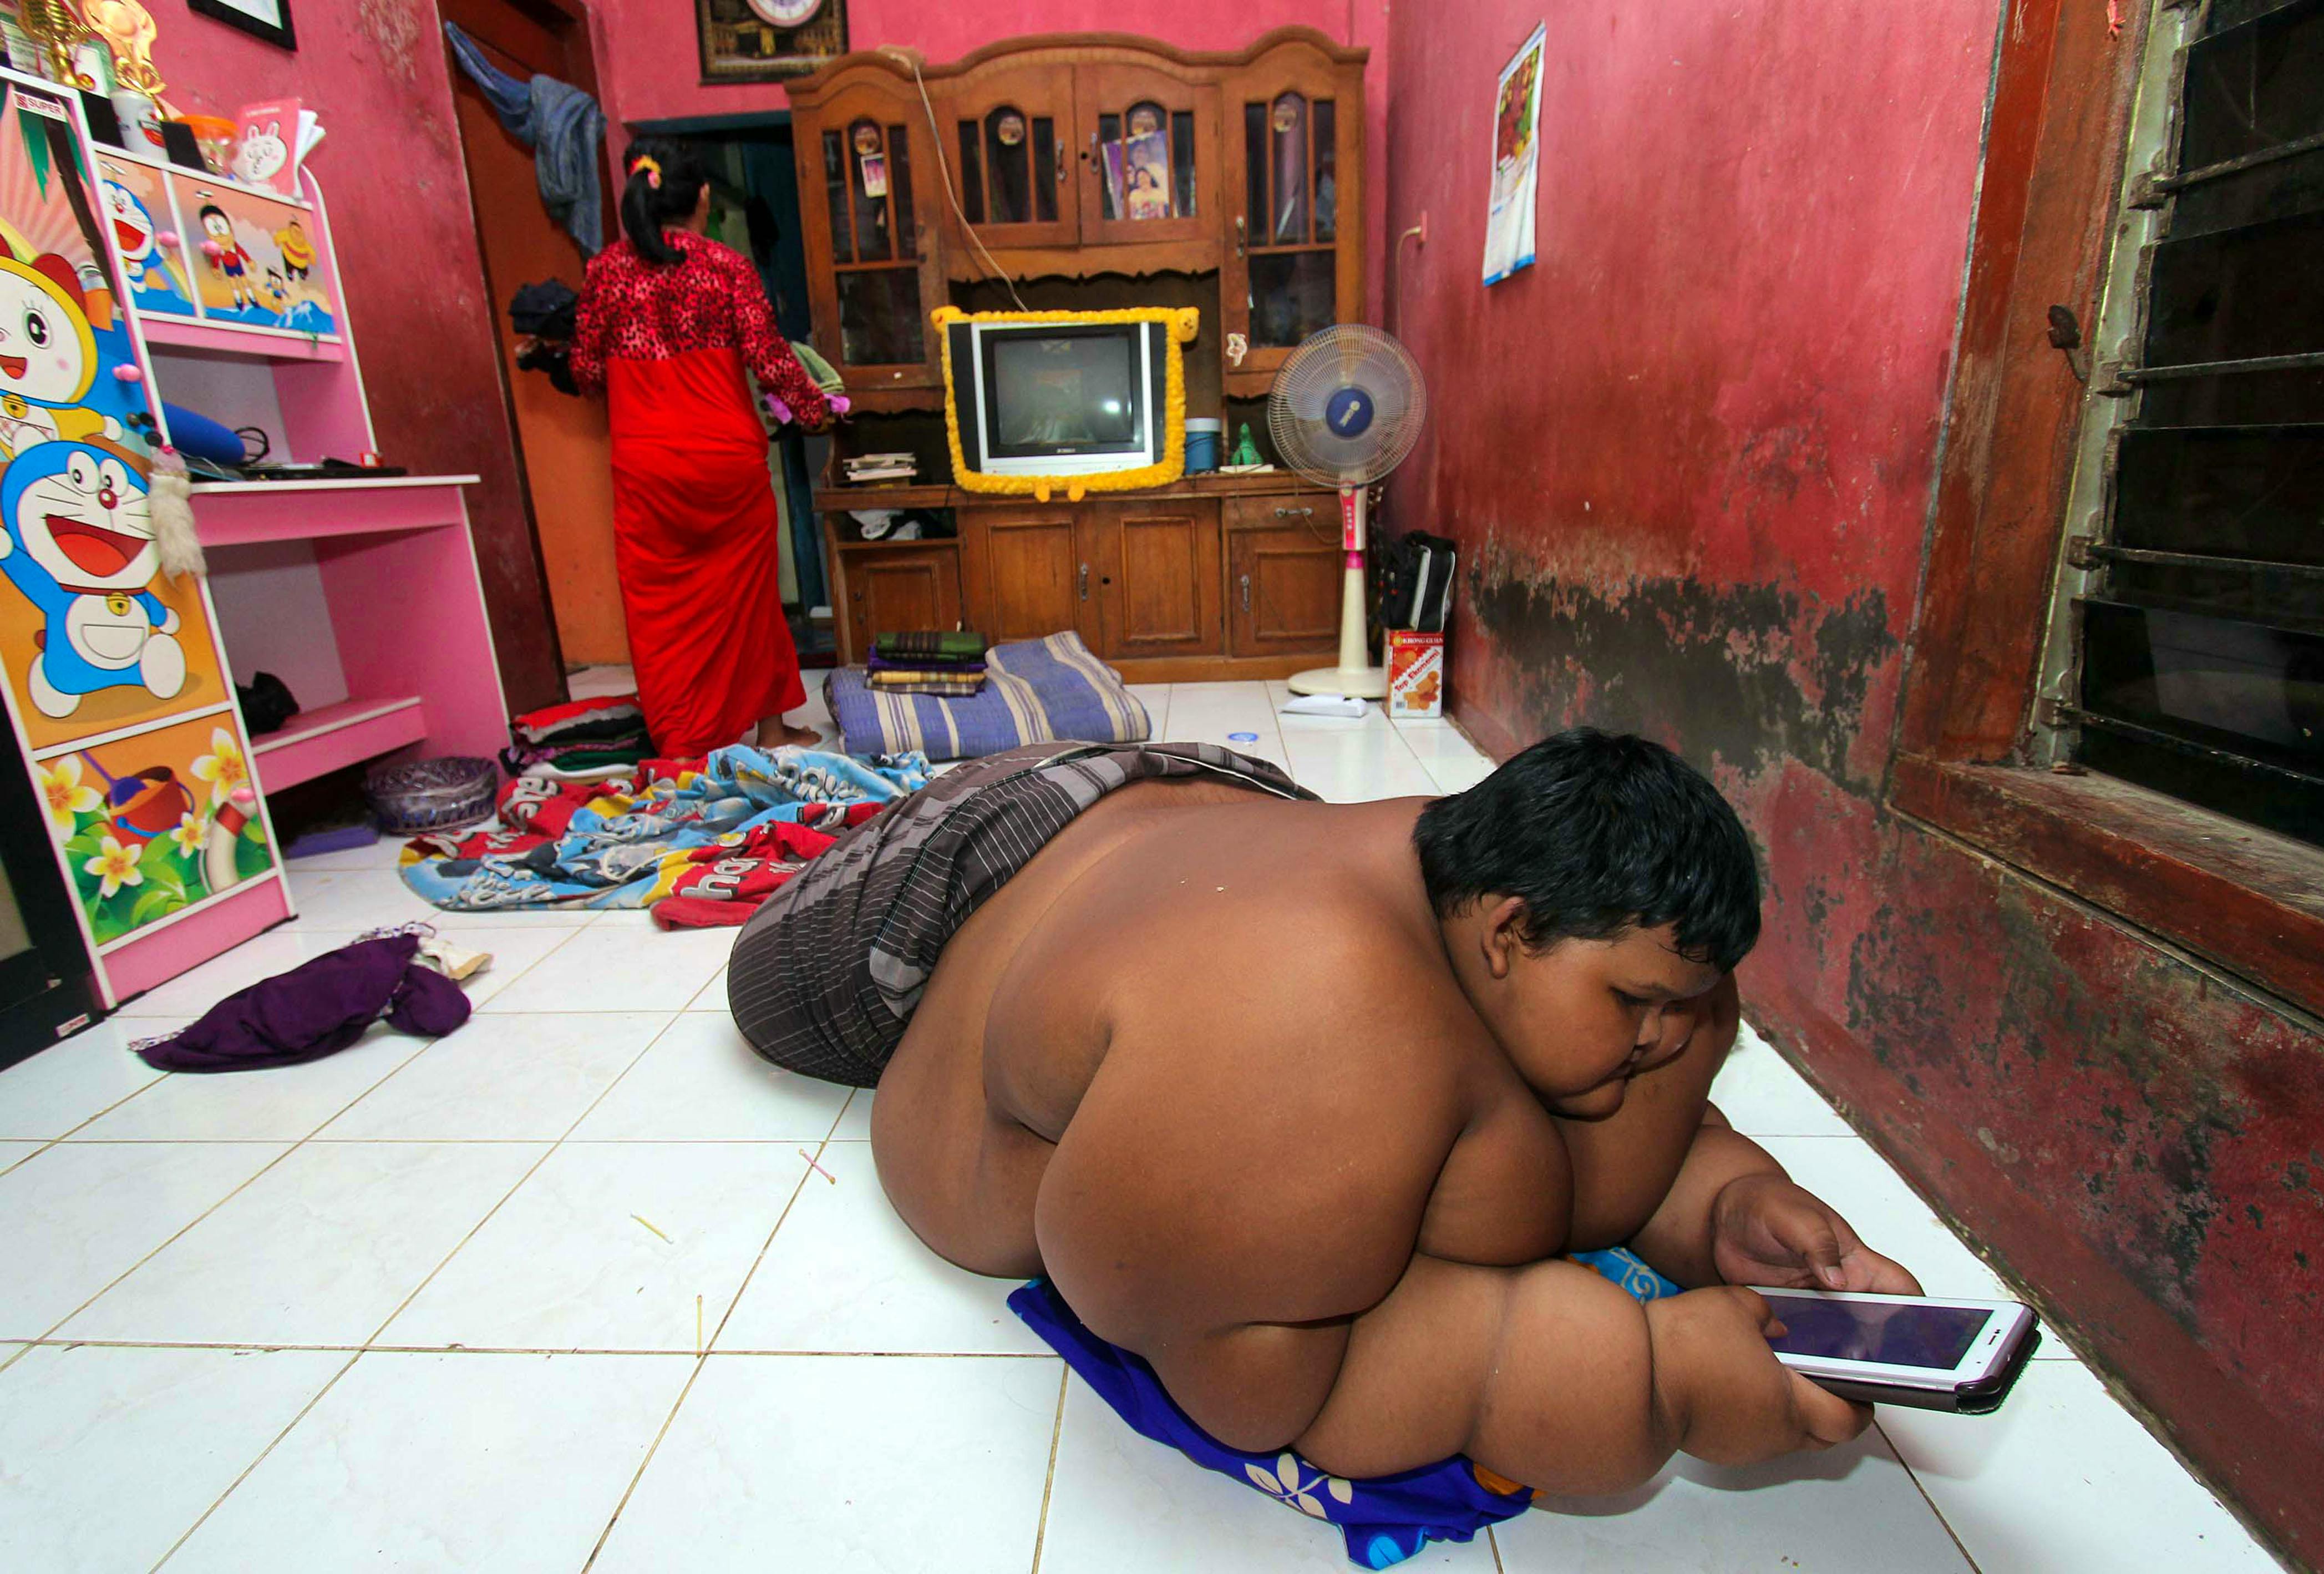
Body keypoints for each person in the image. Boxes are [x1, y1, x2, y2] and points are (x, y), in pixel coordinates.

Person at [728, 730, 1923, 1496]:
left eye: (1684, 1007)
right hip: (986, 851)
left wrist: (1732, 1203)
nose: (1667, 1035)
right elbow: (1252, 1380)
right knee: (758, 987)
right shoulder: (1304, 1030)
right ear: (1508, 932)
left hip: (1233, 803)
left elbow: (1639, 1142)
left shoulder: (1603, 970)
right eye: (1635, 1004)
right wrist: (1652, 1375)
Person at [571, 137, 831, 757]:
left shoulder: (606, 272)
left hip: (647, 469)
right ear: (703, 197)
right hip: (725, 465)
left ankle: (682, 744)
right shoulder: (725, 266)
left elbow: (586, 371)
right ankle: (772, 730)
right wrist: (815, 411)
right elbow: (771, 360)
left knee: (661, 612)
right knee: (752, 600)